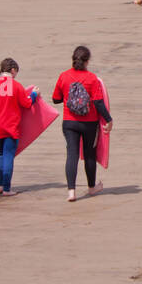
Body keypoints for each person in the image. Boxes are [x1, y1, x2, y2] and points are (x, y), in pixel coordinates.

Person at [52, 45, 112, 203]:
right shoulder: (92, 78)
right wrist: (109, 119)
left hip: (69, 122)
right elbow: (98, 103)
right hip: (89, 123)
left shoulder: (64, 76)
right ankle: (91, 187)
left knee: (72, 155)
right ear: (87, 61)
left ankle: (71, 192)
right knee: (89, 154)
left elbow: (55, 99)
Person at [0, 58, 37, 197]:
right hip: (11, 127)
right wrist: (35, 94)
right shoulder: (16, 86)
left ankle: (0, 185)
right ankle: (7, 188)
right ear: (12, 70)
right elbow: (27, 103)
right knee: (8, 157)